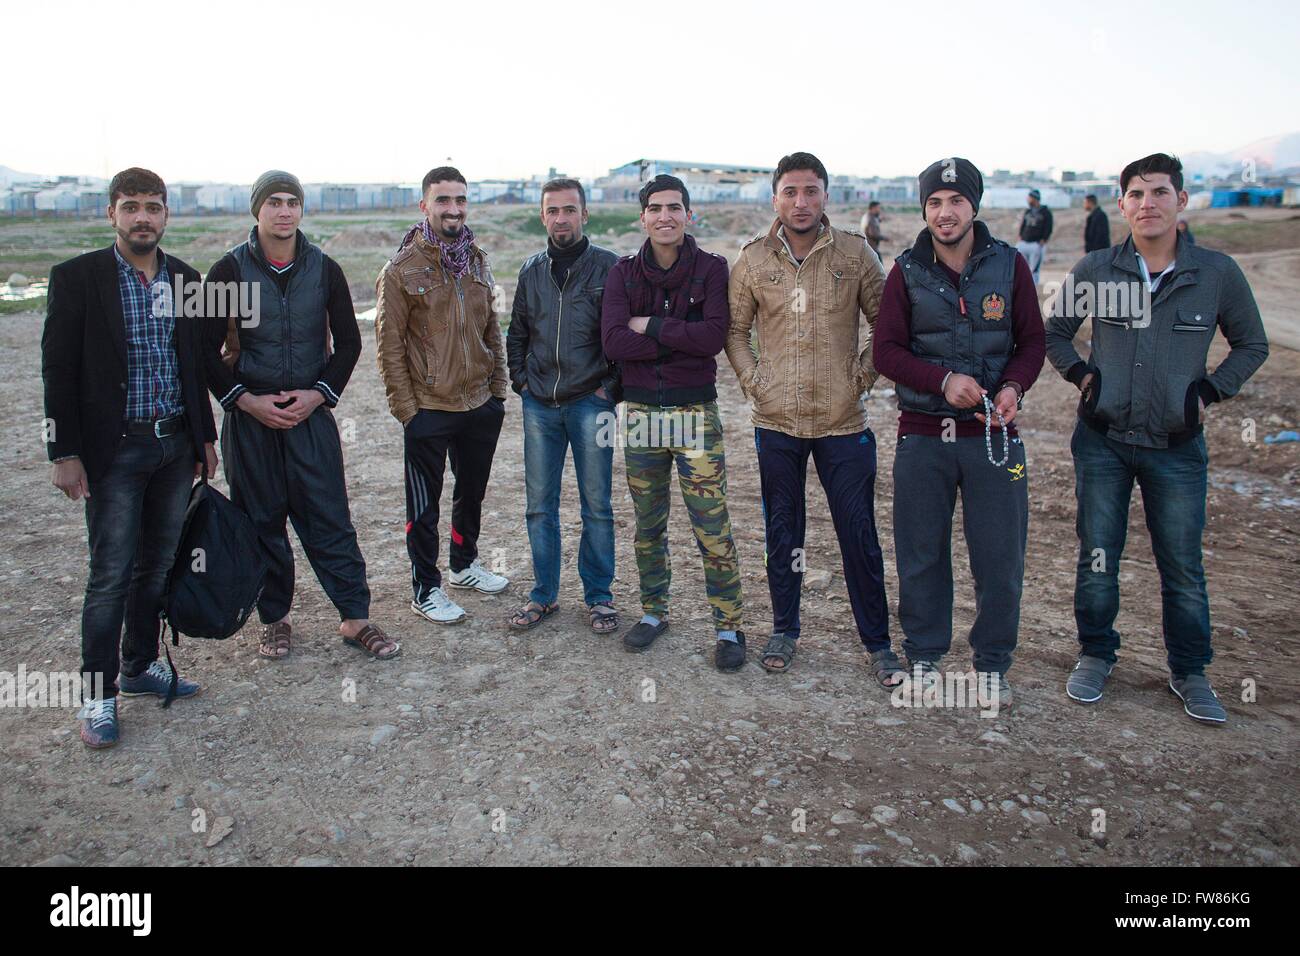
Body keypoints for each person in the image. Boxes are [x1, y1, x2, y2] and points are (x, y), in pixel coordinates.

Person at [1045, 153, 1268, 723]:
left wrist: (1208, 394)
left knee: (1183, 565)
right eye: (1137, 195)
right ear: (1123, 205)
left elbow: (1252, 345)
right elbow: (1055, 332)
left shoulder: (1216, 274)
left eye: (1160, 193)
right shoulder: (1097, 268)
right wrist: (1082, 376)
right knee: (1098, 556)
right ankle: (1095, 655)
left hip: (1177, 447)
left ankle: (1190, 672)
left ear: (1181, 201)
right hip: (1103, 441)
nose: (1148, 204)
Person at [43, 167, 217, 747]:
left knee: (157, 566)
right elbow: (58, 369)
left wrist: (204, 438)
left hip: (174, 447)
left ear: (166, 215)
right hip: (113, 451)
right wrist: (63, 450)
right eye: (131, 206)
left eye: (153, 206)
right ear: (111, 214)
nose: (143, 216)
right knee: (110, 574)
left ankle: (138, 666)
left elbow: (192, 366)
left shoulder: (186, 280)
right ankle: (97, 695)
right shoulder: (78, 278)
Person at [872, 157, 1046, 707]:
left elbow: (1033, 343)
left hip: (994, 440)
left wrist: (1015, 387)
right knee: (922, 553)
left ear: (974, 205)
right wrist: (942, 380)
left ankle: (992, 665)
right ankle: (924, 657)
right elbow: (886, 351)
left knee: (1000, 557)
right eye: (933, 203)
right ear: (924, 210)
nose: (944, 213)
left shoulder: (1011, 266)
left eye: (955, 201)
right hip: (922, 437)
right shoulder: (905, 271)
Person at [204, 170, 398, 660]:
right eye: (274, 202)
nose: (284, 210)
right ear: (258, 209)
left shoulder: (324, 269)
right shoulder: (227, 272)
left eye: (292, 201)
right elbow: (204, 353)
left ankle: (355, 619)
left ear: (301, 210)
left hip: (309, 417)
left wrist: (318, 395)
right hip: (250, 419)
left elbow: (350, 343)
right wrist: (246, 400)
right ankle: (276, 619)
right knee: (261, 521)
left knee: (329, 517)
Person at [726, 151, 893, 679]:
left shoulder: (855, 253)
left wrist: (859, 379)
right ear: (775, 197)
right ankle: (784, 628)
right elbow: (734, 333)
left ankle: (878, 642)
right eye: (791, 192)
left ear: (826, 195)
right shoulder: (753, 259)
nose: (801, 202)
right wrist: (756, 382)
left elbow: (885, 326)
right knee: (783, 530)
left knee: (858, 533)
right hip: (776, 424)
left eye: (811, 191)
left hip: (844, 423)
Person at [601, 174, 745, 670]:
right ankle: (654, 612)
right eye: (656, 208)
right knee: (648, 526)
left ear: (689, 214)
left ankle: (728, 627)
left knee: (712, 526)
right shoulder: (622, 274)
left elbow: (713, 339)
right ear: (642, 217)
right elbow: (614, 343)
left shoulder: (711, 269)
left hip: (694, 415)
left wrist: (654, 327)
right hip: (642, 416)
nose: (666, 216)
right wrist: (683, 334)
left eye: (675, 207)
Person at [375, 166, 511, 627]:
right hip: (429, 408)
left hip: (479, 404)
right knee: (424, 505)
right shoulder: (401, 270)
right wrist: (407, 411)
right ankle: (424, 588)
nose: (453, 209)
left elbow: (493, 327)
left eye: (460, 200)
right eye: (443, 200)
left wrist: (498, 390)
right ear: (424, 206)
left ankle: (463, 565)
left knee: (470, 493)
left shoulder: (477, 260)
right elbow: (389, 346)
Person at [506, 178, 621, 633]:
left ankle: (599, 597)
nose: (561, 218)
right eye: (552, 210)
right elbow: (516, 334)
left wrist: (609, 389)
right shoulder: (530, 271)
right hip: (540, 406)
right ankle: (543, 595)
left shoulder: (610, 269)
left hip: (591, 404)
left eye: (570, 210)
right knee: (540, 506)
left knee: (596, 504)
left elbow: (620, 339)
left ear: (584, 214)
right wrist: (522, 382)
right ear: (542, 216)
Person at [1016, 188, 1053, 285]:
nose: (1028, 200)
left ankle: (1034, 286)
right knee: (1021, 265)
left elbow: (1048, 227)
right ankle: (1022, 284)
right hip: (1024, 242)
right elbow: (1023, 224)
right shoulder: (1028, 212)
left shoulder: (1046, 212)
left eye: (1030, 198)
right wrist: (1020, 236)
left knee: (1034, 267)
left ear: (1035, 199)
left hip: (1036, 244)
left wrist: (1044, 239)